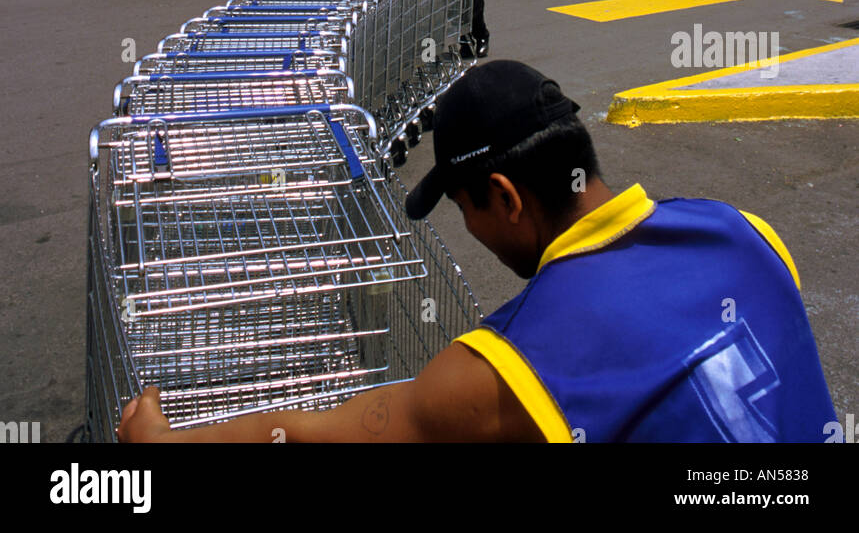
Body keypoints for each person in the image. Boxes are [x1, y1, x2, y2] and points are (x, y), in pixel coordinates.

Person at [118, 61, 837, 444]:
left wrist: (170, 445)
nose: (469, 230)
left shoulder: (514, 365)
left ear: (504, 195)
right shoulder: (745, 230)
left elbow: (325, 432)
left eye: (463, 208)